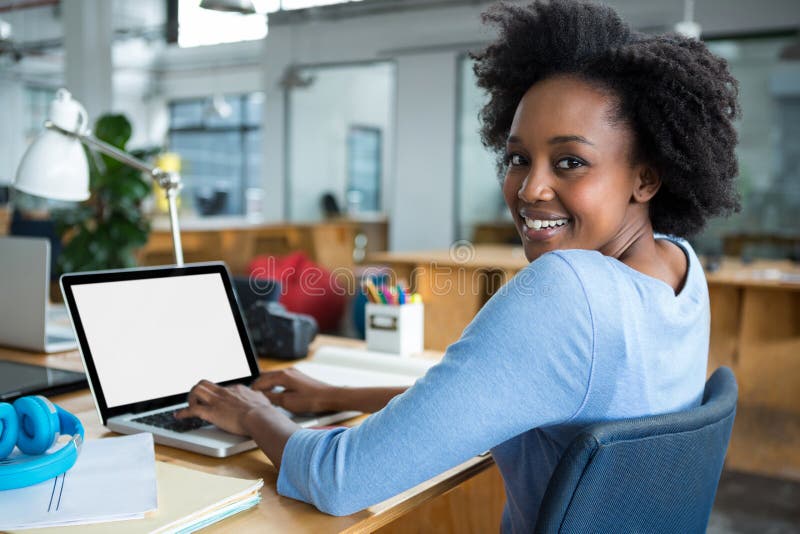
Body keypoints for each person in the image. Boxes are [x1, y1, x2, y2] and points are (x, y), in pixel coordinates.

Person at [177, 0, 740, 530]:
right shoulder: (678, 270)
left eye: (571, 161)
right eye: (518, 158)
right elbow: (497, 399)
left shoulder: (568, 290)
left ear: (647, 176)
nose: (531, 188)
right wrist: (334, 396)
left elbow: (340, 480)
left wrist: (253, 414)